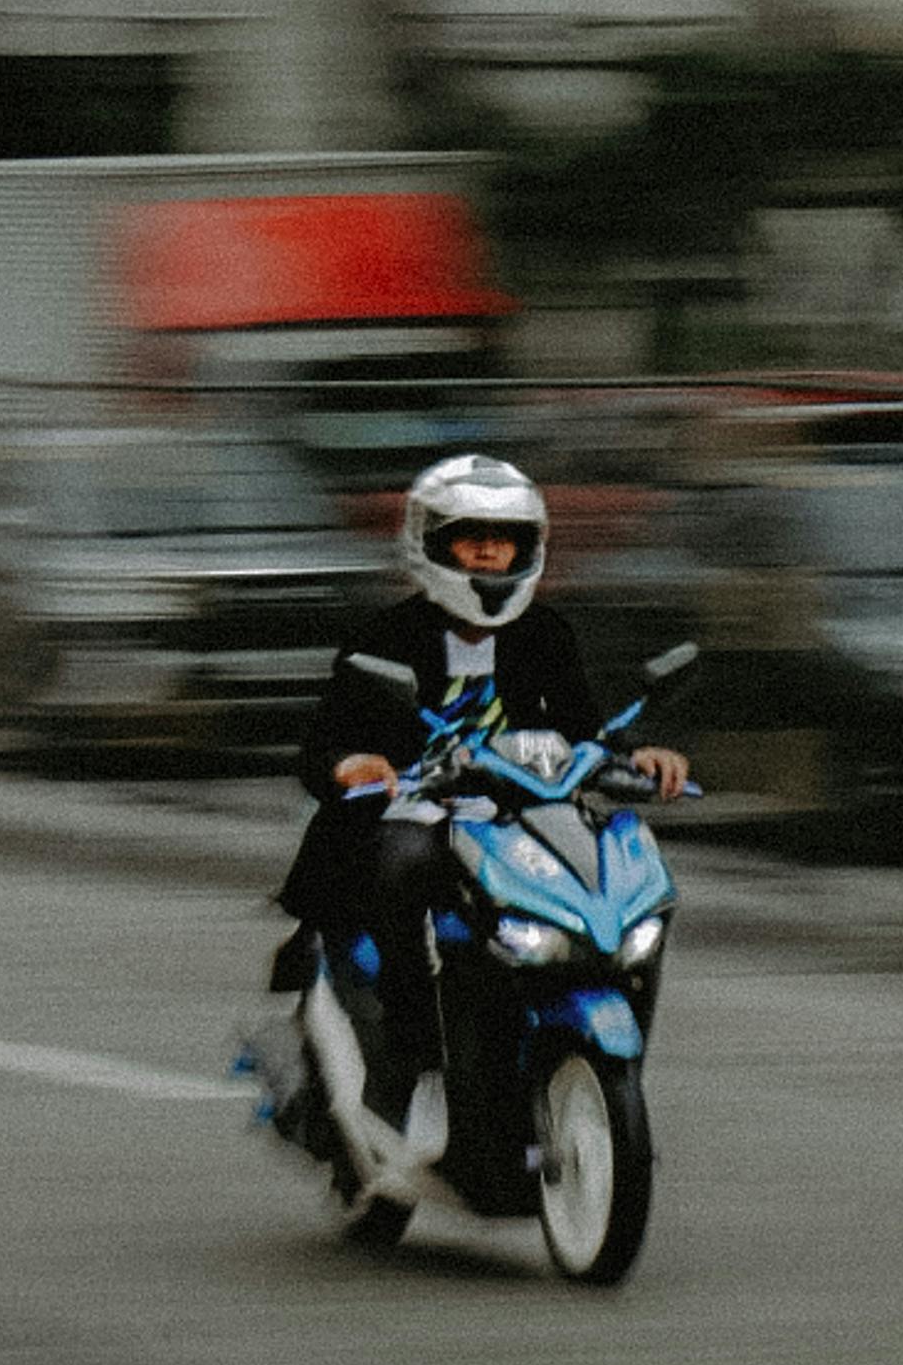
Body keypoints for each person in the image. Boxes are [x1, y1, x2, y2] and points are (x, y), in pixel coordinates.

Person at [280, 451, 689, 1125]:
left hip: (519, 822)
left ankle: (585, 1043)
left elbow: (583, 729)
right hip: (411, 815)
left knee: (630, 869)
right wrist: (351, 764)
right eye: (472, 539)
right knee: (404, 861)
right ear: (432, 545)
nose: (491, 554)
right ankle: (405, 1052)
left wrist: (635, 755)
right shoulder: (383, 637)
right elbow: (321, 747)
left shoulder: (545, 634)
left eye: (506, 541)